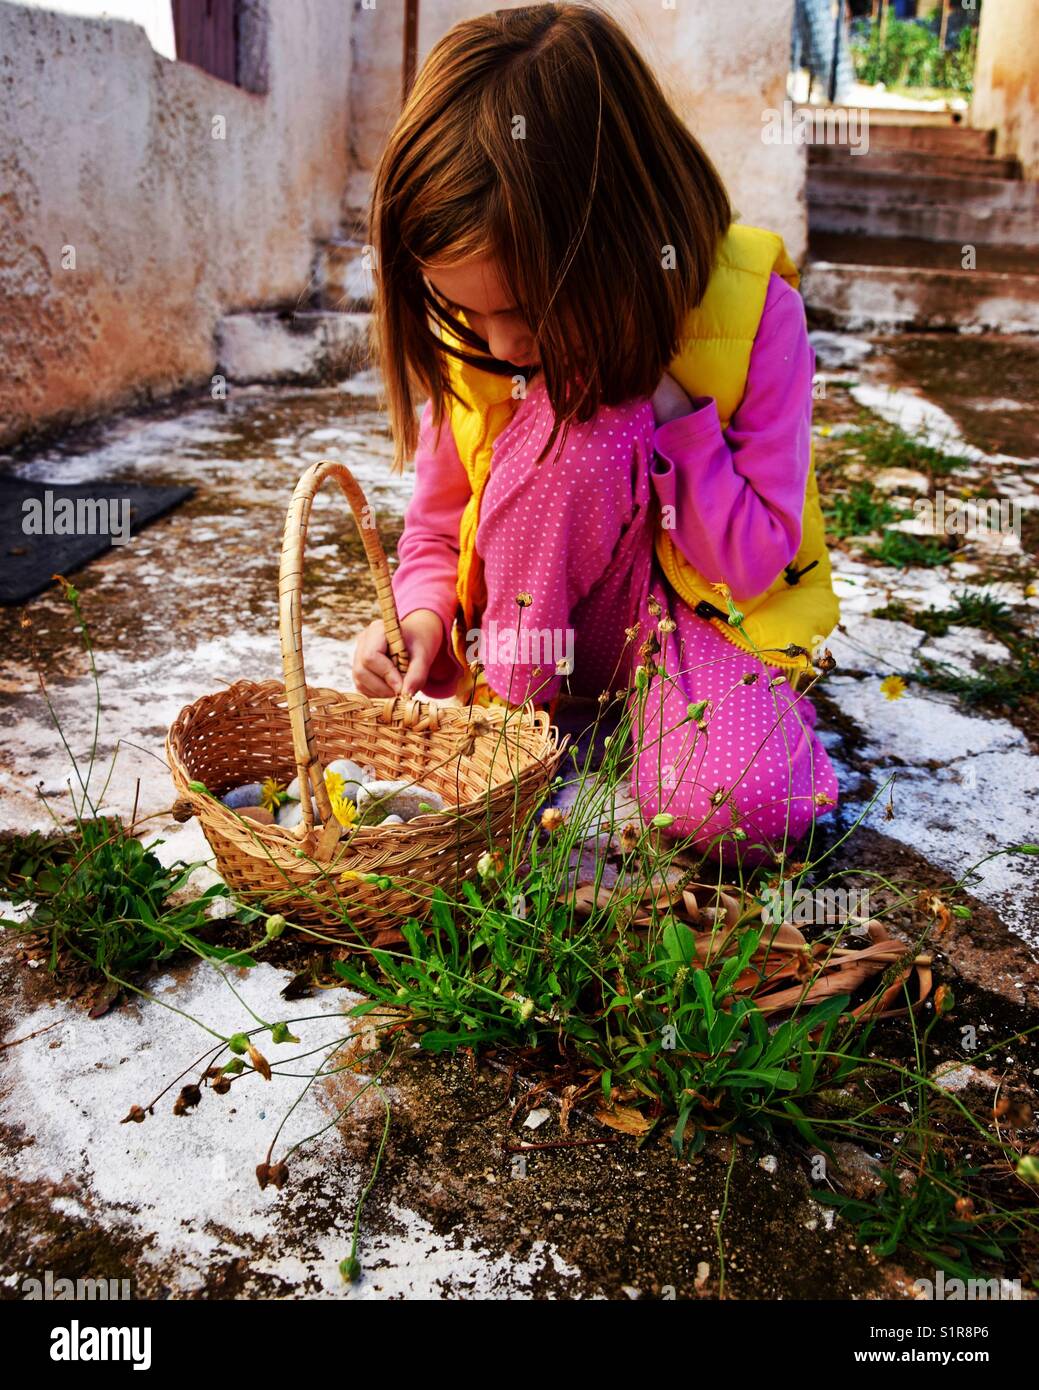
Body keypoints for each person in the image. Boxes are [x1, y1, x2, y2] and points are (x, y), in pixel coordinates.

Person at [352, 2, 840, 862]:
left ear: (618, 237)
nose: (500, 343)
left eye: (525, 309)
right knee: (569, 426)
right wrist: (420, 616)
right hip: (525, 649)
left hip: (691, 633)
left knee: (745, 803)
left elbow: (757, 559)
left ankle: (632, 727)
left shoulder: (753, 310)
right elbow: (435, 526)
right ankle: (515, 730)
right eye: (470, 311)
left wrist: (670, 412)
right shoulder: (481, 347)